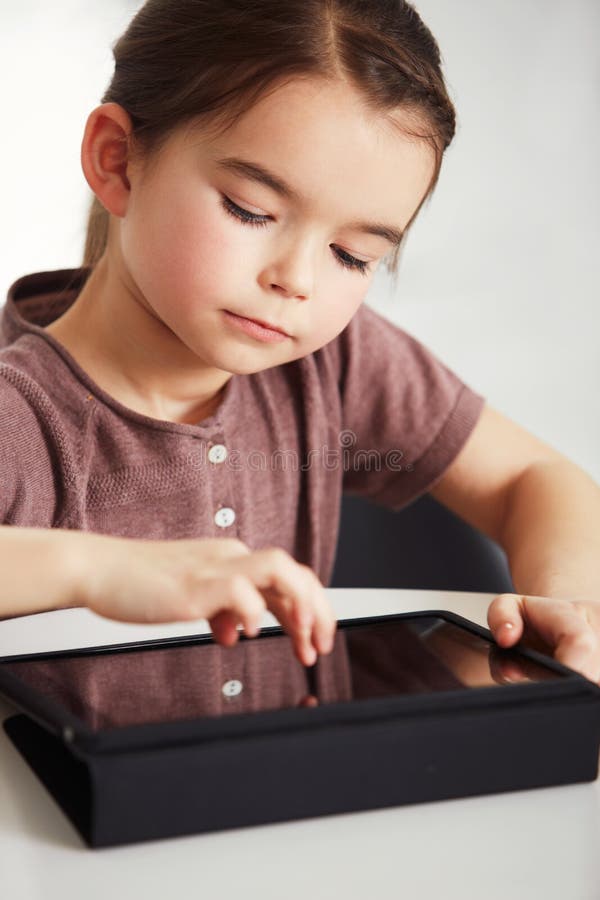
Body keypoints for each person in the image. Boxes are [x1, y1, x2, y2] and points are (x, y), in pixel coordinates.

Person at [1, 0, 599, 681]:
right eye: (251, 211)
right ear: (118, 161)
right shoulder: (22, 417)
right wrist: (95, 569)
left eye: (351, 255)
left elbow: (533, 478)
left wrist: (571, 608)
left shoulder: (330, 361)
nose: (297, 280)